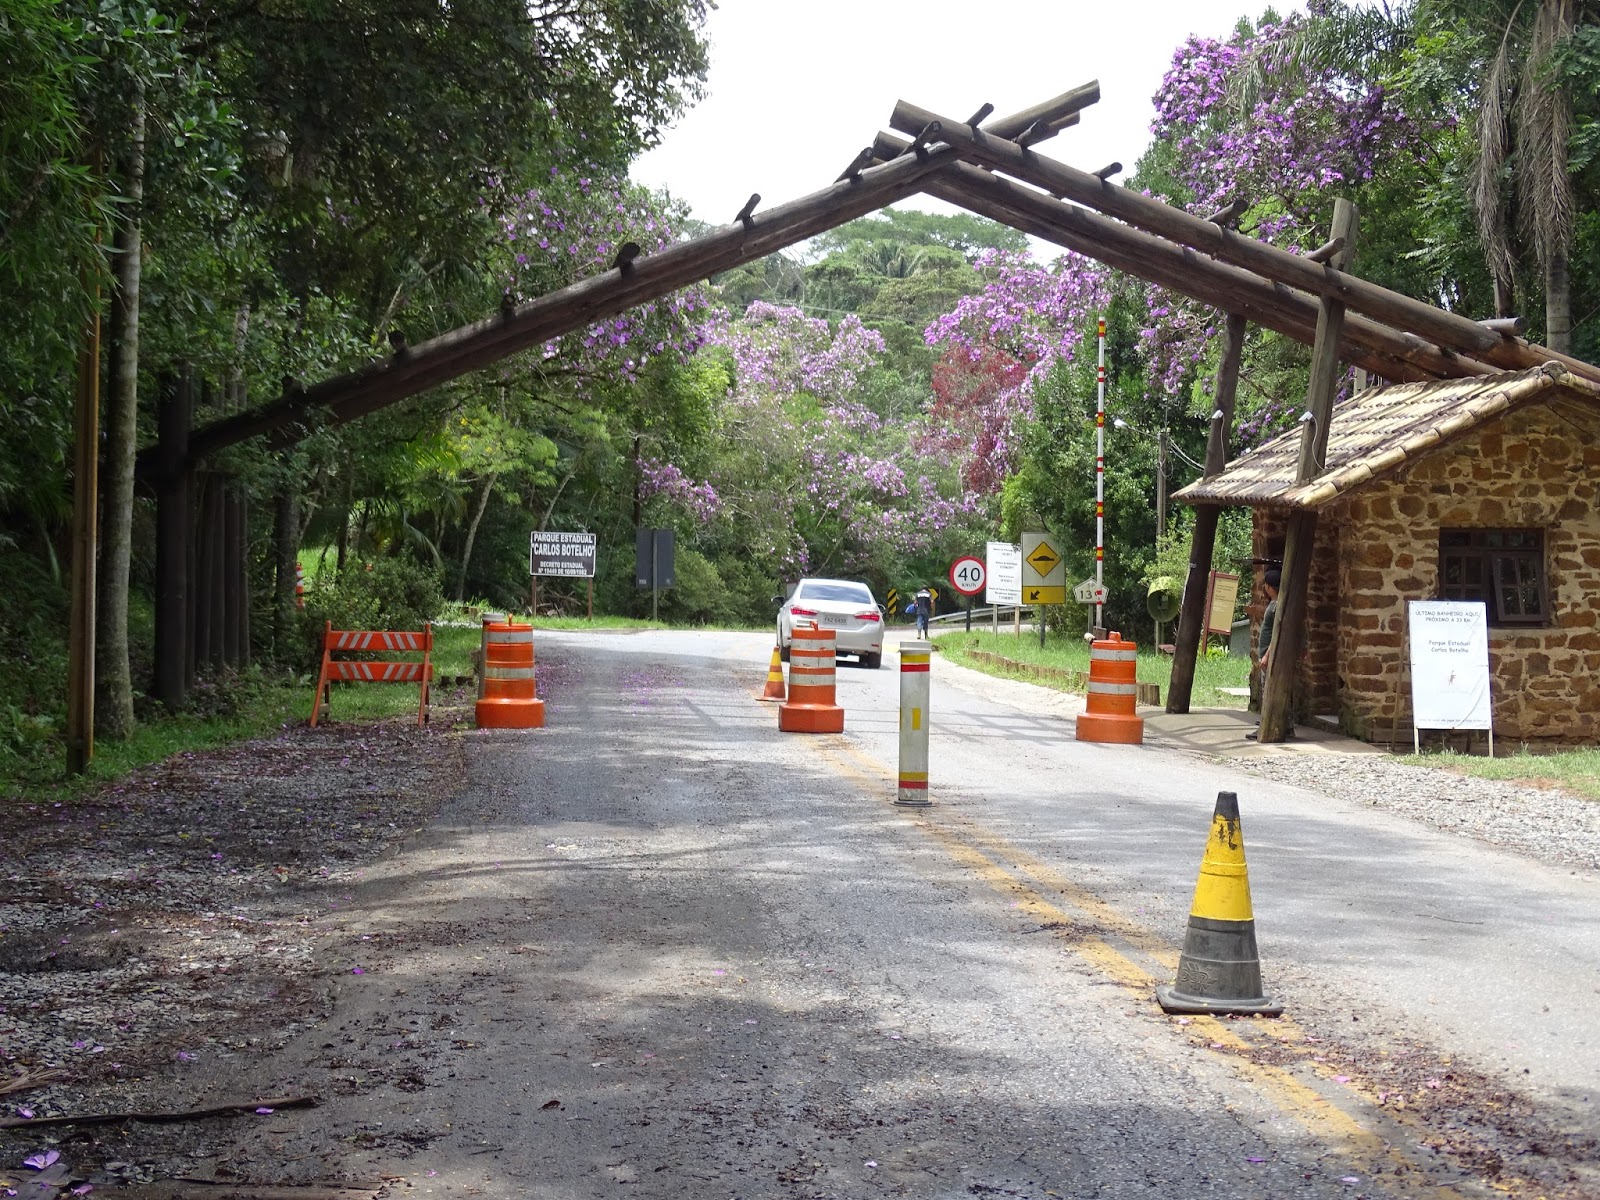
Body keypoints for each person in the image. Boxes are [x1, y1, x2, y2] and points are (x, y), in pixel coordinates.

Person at [1246, 567, 1281, 741]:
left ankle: (1267, 725)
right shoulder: (1274, 605)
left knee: (1268, 691)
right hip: (1268, 653)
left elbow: (1276, 633)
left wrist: (1266, 655)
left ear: (1268, 586)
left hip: (1269, 654)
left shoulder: (1276, 607)